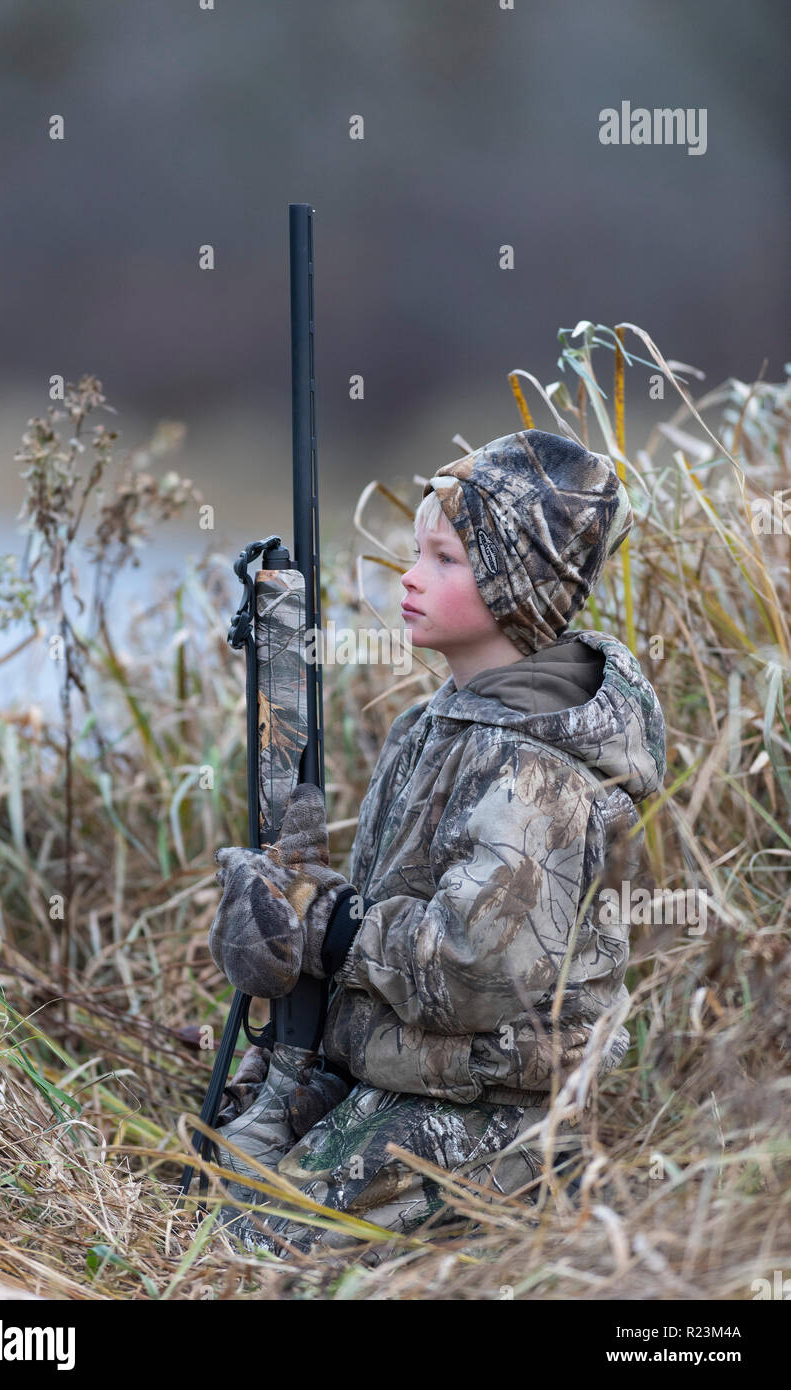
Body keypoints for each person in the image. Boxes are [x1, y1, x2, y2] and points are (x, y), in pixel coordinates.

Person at [203, 428, 666, 1261]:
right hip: (402, 1067)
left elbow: (475, 974)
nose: (410, 576)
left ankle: (526, 1191)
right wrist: (289, 900)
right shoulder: (435, 723)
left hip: (489, 1106)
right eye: (416, 551)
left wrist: (330, 926)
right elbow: (394, 901)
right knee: (209, 1185)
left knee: (259, 1250)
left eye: (445, 558)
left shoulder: (535, 770)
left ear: (516, 583)